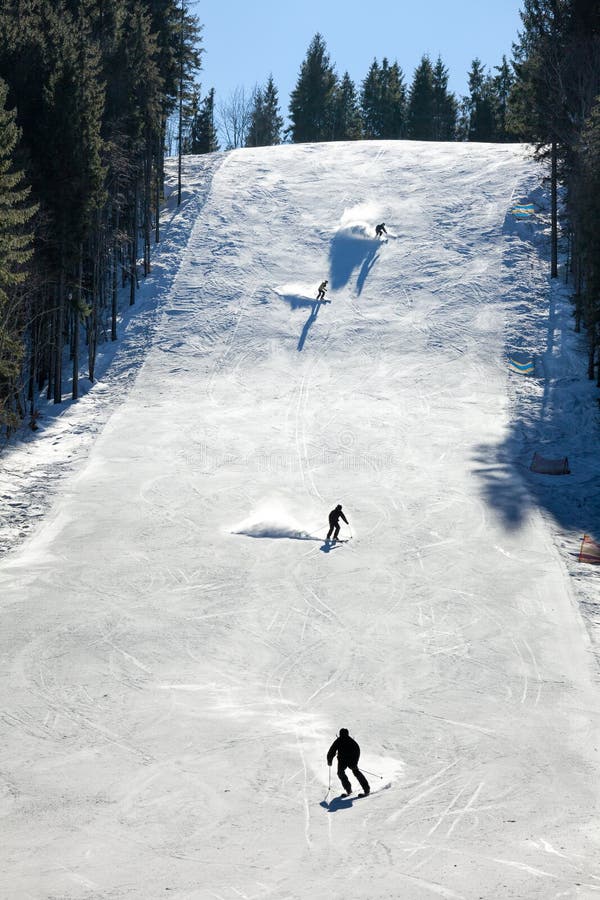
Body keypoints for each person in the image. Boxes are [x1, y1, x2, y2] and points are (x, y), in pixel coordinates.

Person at [327, 728, 370, 797]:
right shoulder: (339, 741)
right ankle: (348, 790)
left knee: (355, 772)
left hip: (351, 760)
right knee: (341, 773)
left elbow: (357, 751)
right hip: (342, 760)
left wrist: (355, 762)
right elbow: (332, 750)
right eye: (342, 735)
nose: (343, 736)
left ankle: (366, 790)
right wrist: (329, 760)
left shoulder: (350, 741)